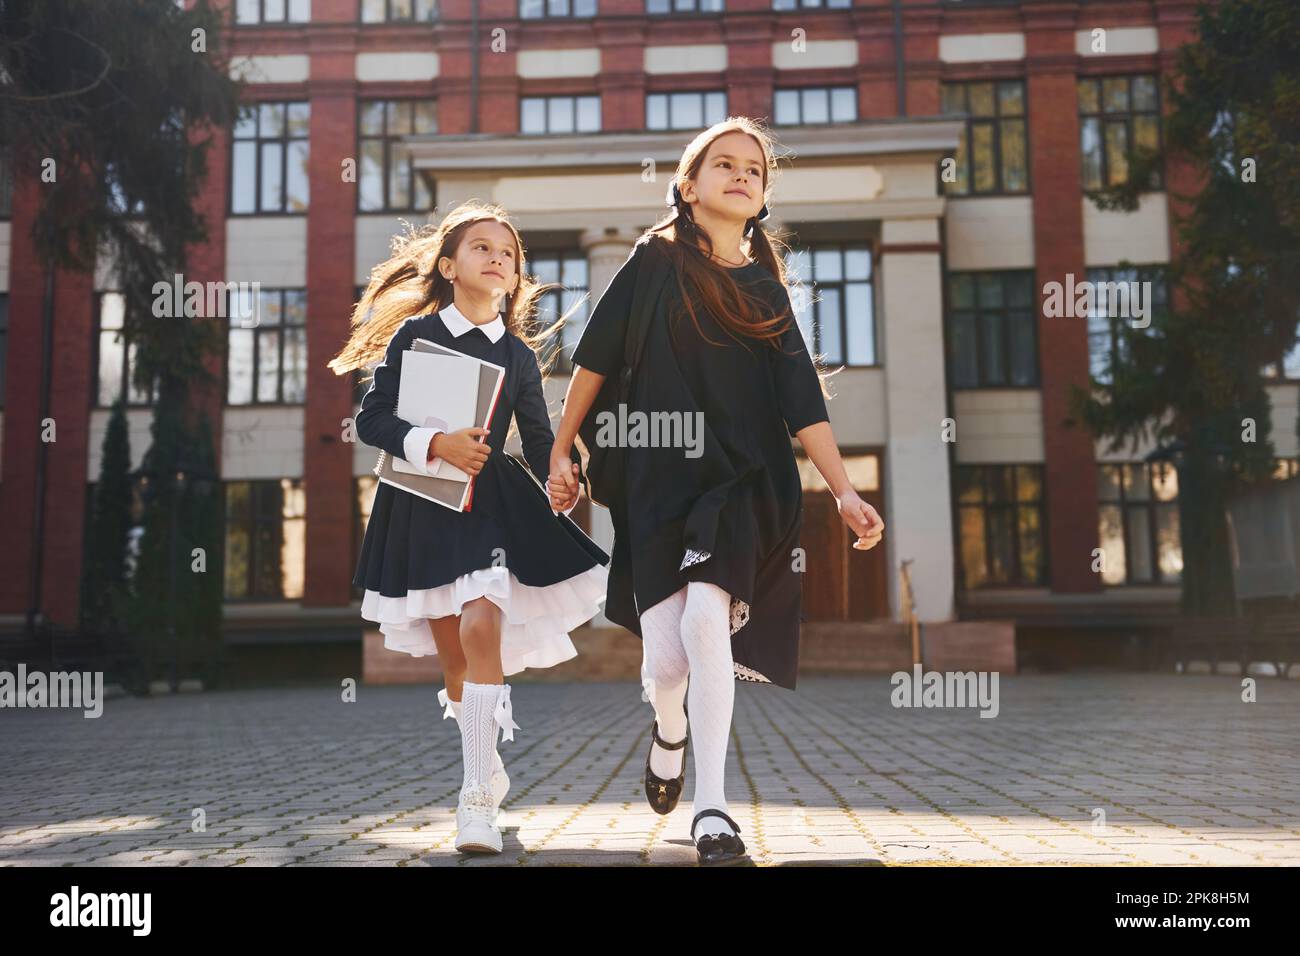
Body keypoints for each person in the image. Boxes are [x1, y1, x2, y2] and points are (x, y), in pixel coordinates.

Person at [547, 118, 884, 866]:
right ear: (689, 186)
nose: (741, 175)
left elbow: (803, 401)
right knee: (667, 665)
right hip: (657, 477)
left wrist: (843, 492)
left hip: (743, 483)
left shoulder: (767, 288)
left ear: (761, 197)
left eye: (754, 171)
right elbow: (594, 360)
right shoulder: (653, 260)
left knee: (708, 618)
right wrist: (561, 448)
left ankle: (712, 807)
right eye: (723, 165)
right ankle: (668, 731)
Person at [329, 201, 608, 855]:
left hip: (492, 505)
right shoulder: (413, 339)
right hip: (422, 502)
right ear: (450, 266)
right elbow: (373, 421)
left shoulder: (517, 354)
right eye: (483, 248)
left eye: (508, 253)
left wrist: (563, 474)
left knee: (483, 623)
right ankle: (486, 762)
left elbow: (540, 440)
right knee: (453, 653)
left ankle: (474, 800)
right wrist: (434, 443)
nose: (498, 258)